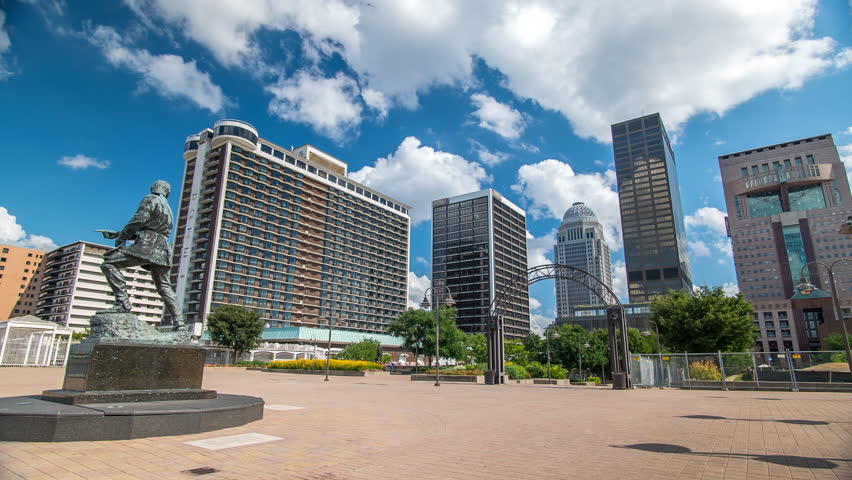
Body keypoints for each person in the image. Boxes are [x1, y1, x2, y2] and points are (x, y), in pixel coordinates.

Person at [99, 180, 184, 330]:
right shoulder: (168, 209)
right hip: (163, 249)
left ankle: (122, 302)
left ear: (153, 188)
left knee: (108, 263)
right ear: (167, 192)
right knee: (165, 287)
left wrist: (122, 237)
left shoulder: (150, 199)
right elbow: (153, 229)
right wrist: (118, 234)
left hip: (147, 246)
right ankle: (180, 323)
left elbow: (140, 220)